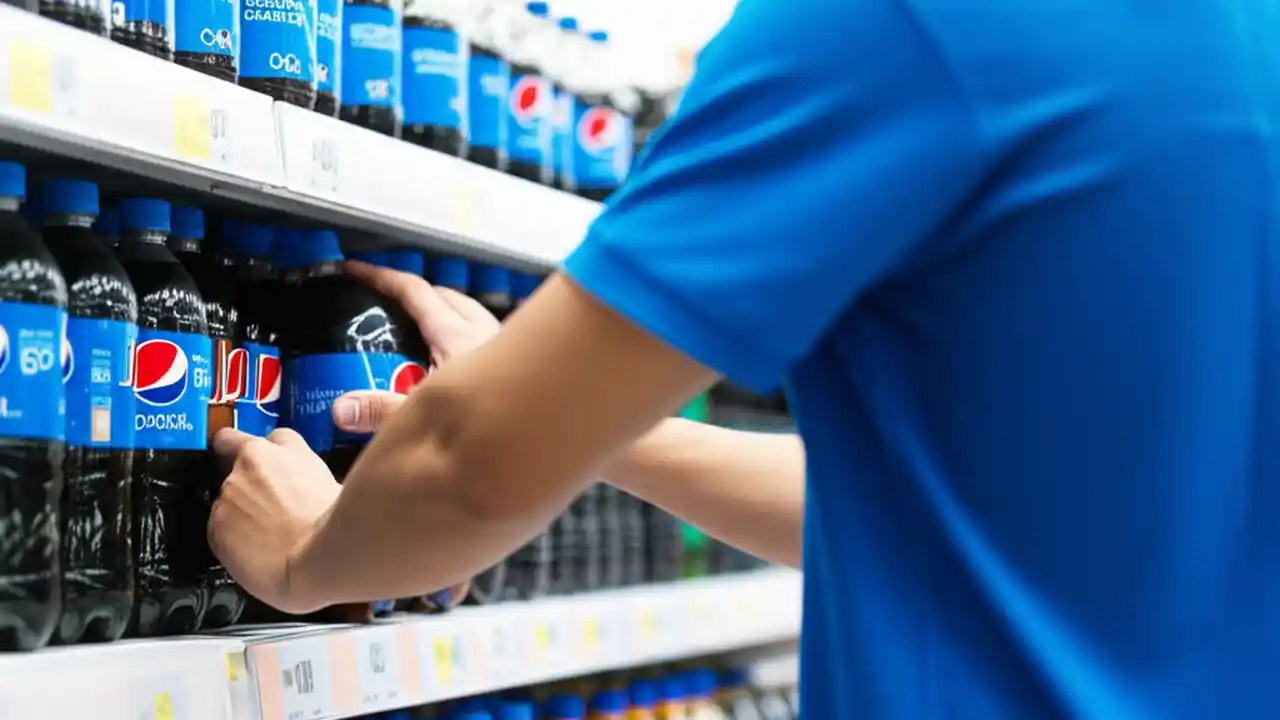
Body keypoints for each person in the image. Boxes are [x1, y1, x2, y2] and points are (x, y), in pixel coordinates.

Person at [209, 0, 1280, 716]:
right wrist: (589, 426)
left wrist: (306, 556)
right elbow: (1004, 509)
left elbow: (470, 462)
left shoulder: (910, 23)